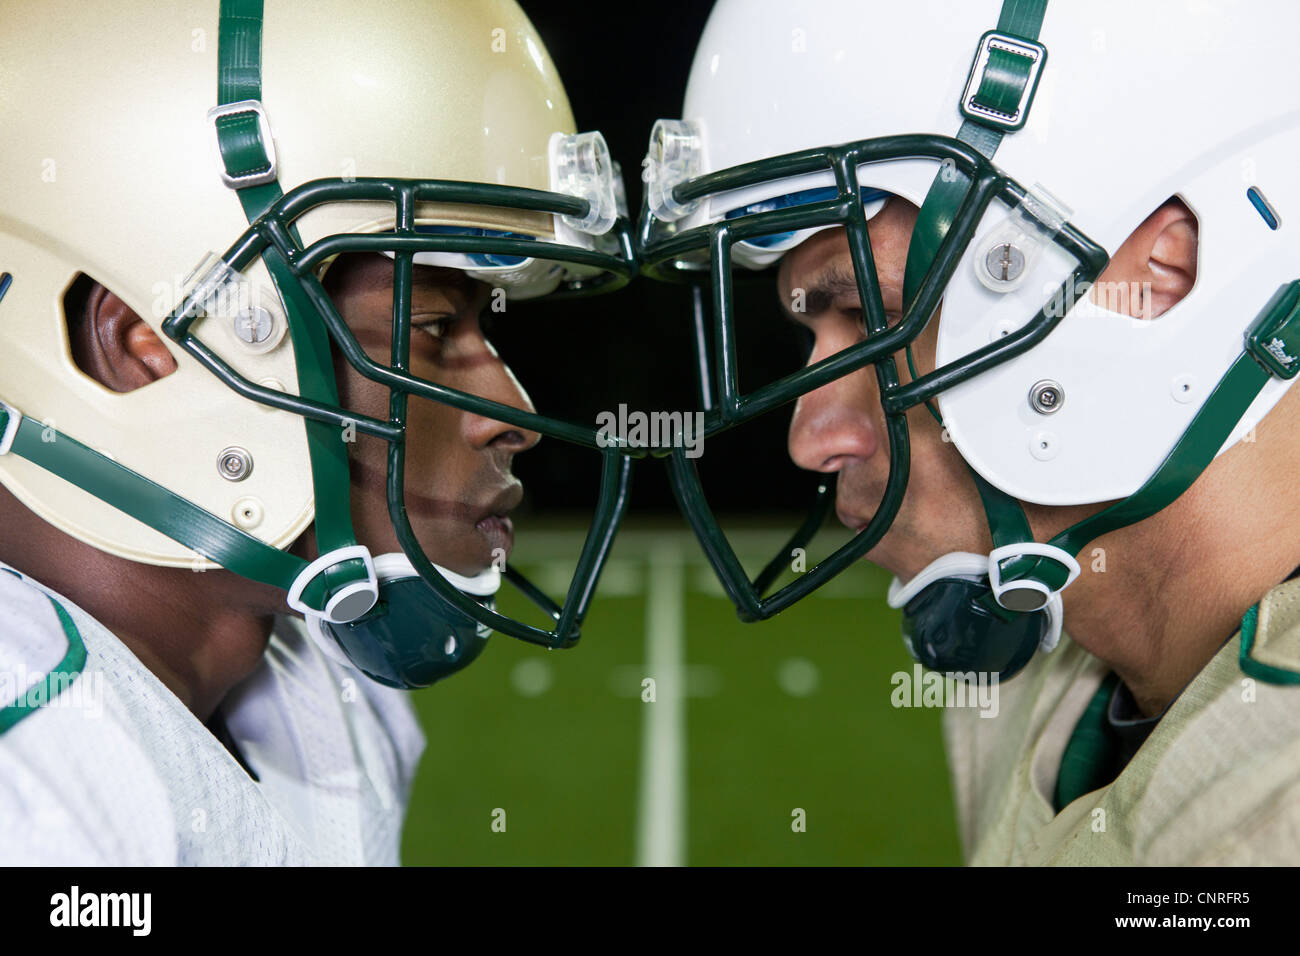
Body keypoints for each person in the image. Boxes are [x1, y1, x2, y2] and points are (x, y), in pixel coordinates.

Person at [638, 0, 1300, 863]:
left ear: (1160, 272)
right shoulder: (1057, 679)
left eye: (862, 311)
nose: (812, 438)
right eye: (815, 333)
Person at [0, 0, 633, 864]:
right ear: (143, 345)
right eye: (433, 330)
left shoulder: (322, 687)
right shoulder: (32, 780)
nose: (511, 413)